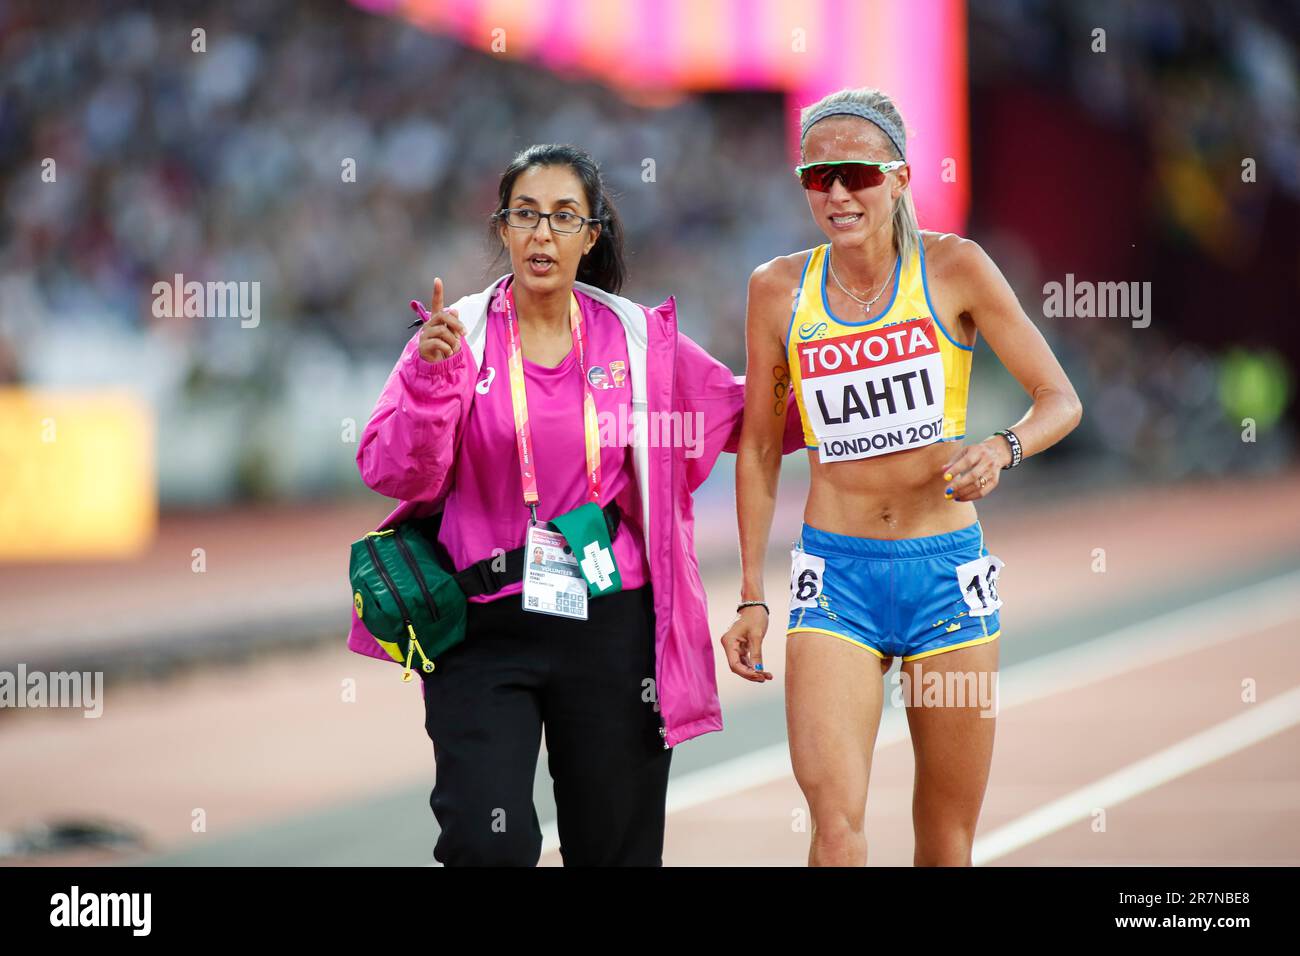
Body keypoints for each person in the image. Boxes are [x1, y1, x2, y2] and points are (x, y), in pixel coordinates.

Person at [346, 143, 803, 866]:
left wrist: (848, 387)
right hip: (481, 626)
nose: (542, 235)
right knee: (484, 844)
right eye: (525, 215)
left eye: (564, 217)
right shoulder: (455, 334)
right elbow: (394, 471)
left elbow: (748, 413)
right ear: (501, 228)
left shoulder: (637, 339)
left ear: (592, 236)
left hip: (610, 625)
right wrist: (433, 382)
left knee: (613, 849)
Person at [721, 88, 1083, 866]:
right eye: (818, 178)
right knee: (834, 831)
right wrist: (752, 591)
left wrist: (1002, 448)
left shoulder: (955, 268)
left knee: (945, 842)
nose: (839, 194)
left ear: (901, 176)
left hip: (944, 575)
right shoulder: (778, 289)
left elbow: (1060, 401)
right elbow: (757, 450)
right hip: (837, 577)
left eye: (856, 173)